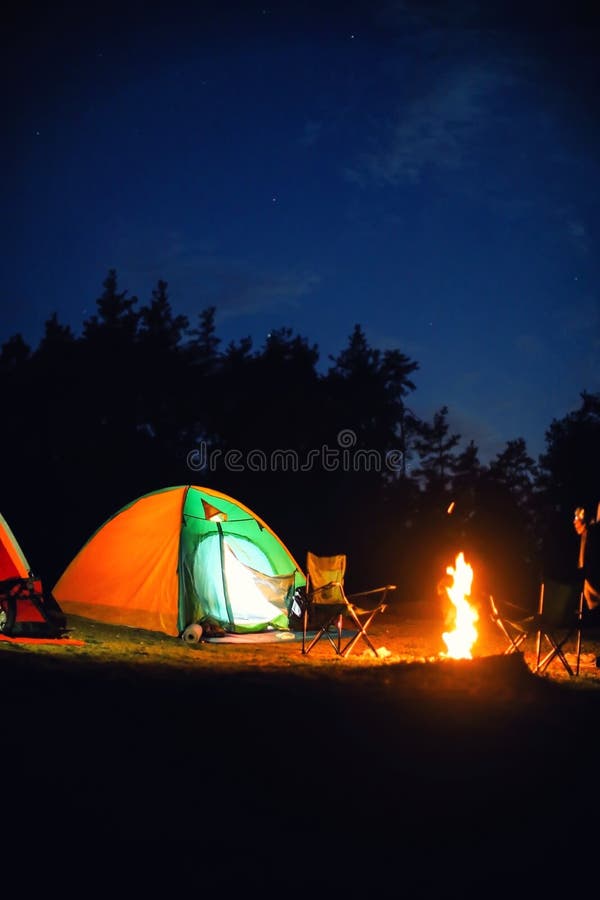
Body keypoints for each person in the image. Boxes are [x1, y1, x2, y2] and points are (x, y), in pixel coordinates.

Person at [573, 505, 600, 615]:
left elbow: (590, 560)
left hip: (593, 580)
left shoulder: (592, 533)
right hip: (588, 579)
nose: (574, 522)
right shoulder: (587, 534)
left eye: (576, 518)